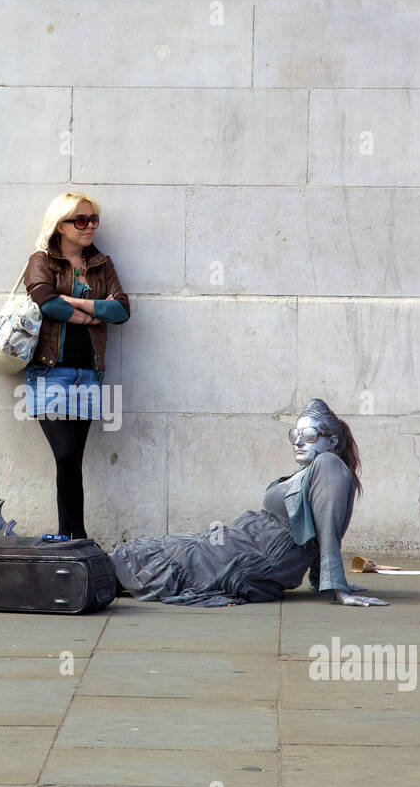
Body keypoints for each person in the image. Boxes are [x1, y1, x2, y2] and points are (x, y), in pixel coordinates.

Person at [110, 399, 388, 607]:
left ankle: (83, 577)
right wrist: (322, 581)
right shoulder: (313, 472)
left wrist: (337, 587)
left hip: (251, 556)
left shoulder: (328, 465)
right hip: (236, 544)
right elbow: (321, 526)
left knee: (141, 555)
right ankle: (84, 574)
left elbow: (328, 529)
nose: (298, 443)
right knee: (148, 551)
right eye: (295, 435)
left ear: (333, 442)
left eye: (310, 436)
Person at [20, 192, 130, 540]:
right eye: (80, 220)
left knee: (73, 461)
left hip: (89, 373)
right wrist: (91, 314)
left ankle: (72, 537)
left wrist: (73, 300)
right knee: (65, 454)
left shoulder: (102, 264)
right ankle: (73, 535)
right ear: (60, 225)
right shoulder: (42, 260)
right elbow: (45, 302)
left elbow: (122, 310)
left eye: (93, 220)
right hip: (50, 371)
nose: (89, 227)